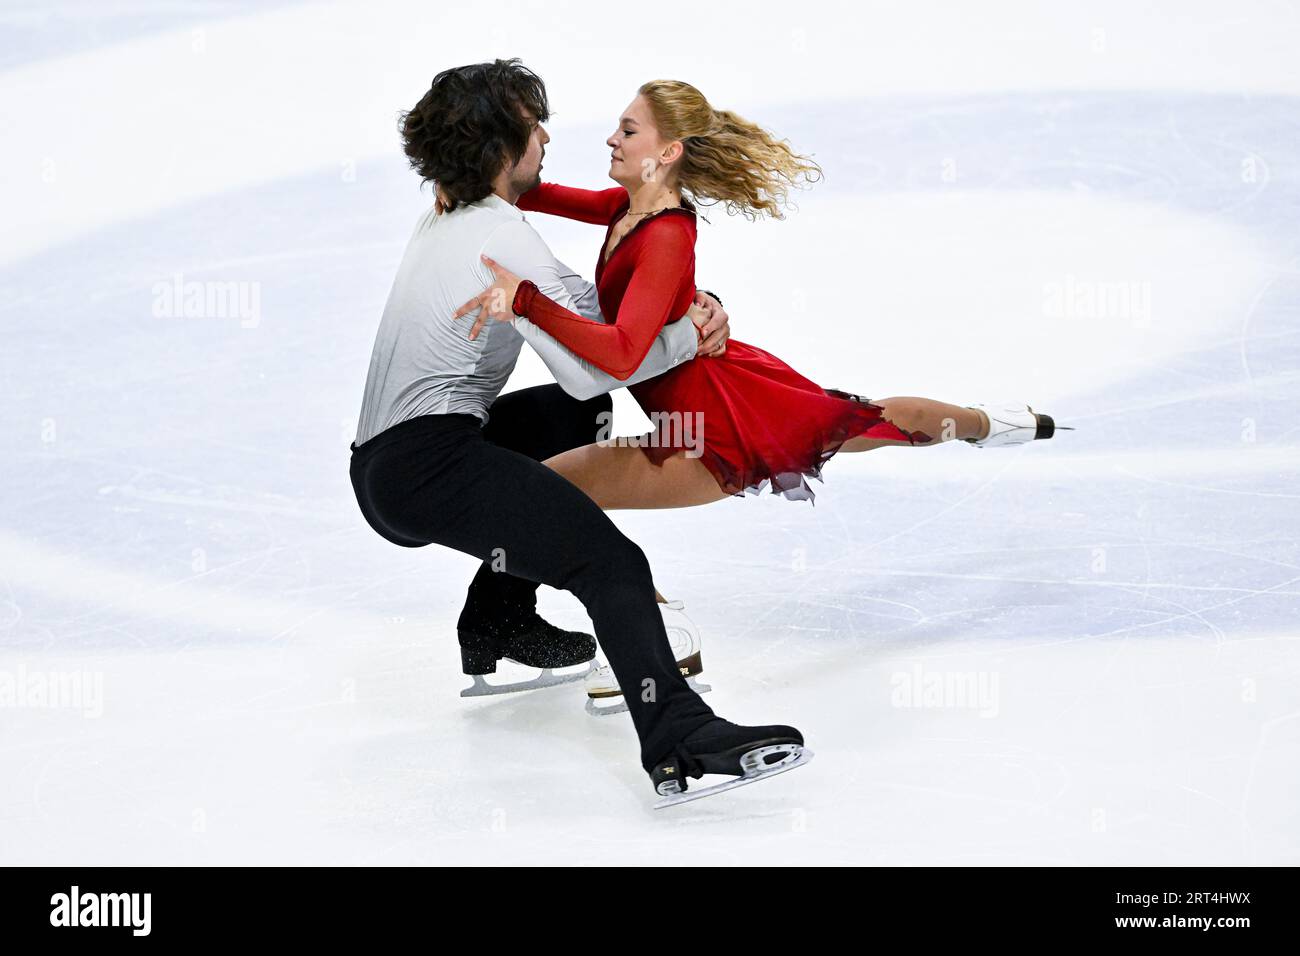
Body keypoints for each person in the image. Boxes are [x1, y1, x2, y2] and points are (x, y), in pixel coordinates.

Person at [349, 59, 810, 806]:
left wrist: (693, 306)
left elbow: (595, 345)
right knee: (611, 564)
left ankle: (498, 621)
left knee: (573, 421)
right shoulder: (504, 240)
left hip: (391, 460)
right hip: (422, 467)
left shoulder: (447, 211)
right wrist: (694, 336)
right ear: (505, 146)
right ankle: (680, 740)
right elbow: (599, 366)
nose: (548, 135)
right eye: (534, 124)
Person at [456, 79, 1069, 523]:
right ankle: (650, 631)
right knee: (860, 420)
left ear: (667, 153)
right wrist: (460, 177)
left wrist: (527, 300)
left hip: (712, 424)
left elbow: (619, 356)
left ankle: (986, 423)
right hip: (712, 384)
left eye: (629, 130)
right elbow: (533, 192)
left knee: (870, 423)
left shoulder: (665, 235)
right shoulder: (624, 206)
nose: (611, 138)